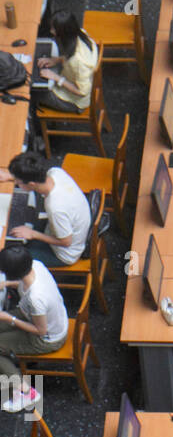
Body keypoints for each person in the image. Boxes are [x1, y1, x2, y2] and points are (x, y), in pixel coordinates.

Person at [0, 242, 68, 410]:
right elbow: (22, 283)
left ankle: (24, 391)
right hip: (41, 318)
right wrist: (7, 285)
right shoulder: (37, 265)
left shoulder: (36, 298)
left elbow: (40, 330)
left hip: (46, 338)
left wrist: (10, 319)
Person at [0, 152, 90, 266]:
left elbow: (66, 242)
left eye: (18, 182)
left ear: (31, 184)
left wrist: (33, 234)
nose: (17, 184)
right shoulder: (55, 173)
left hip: (63, 253)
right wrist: (12, 176)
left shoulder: (55, 207)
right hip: (61, 228)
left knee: (9, 259)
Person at [31, 12, 99, 114]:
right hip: (71, 76)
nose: (51, 31)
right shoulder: (80, 33)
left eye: (54, 29)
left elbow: (82, 92)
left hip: (73, 101)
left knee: (32, 92)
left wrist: (56, 77)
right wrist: (56, 60)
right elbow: (69, 55)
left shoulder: (78, 63)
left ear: (63, 33)